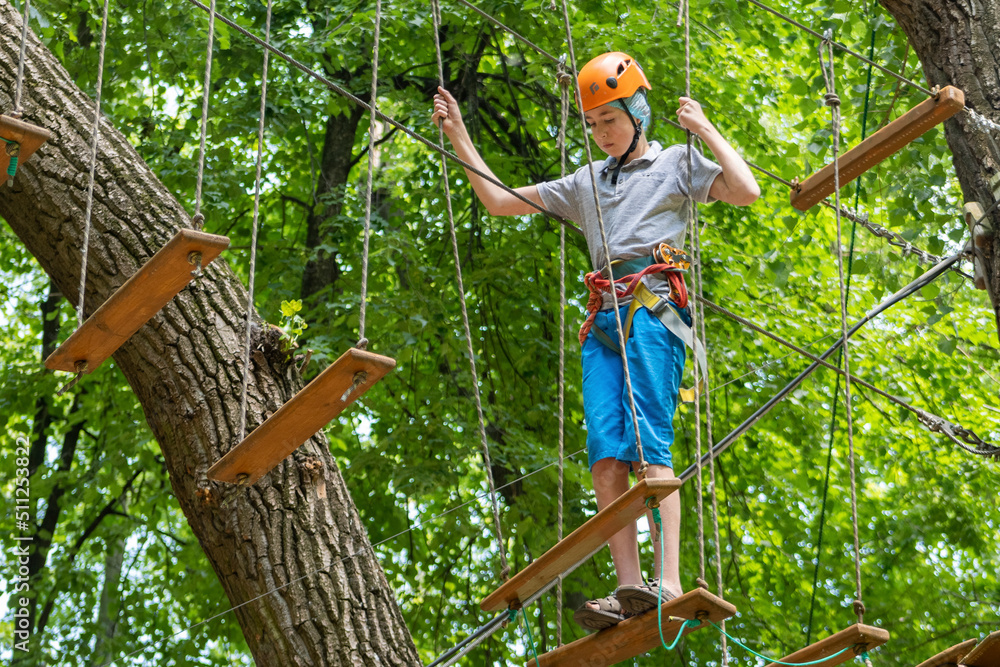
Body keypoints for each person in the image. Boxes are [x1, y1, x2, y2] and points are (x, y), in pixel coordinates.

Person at [432, 51, 759, 630]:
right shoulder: (586, 181)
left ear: (638, 113)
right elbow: (501, 202)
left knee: (648, 447)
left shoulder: (677, 163)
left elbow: (746, 190)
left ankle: (671, 580)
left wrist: (704, 128)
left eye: (610, 119)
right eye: (592, 124)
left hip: (653, 310)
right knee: (606, 459)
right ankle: (630, 588)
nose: (601, 133)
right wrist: (460, 138)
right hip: (603, 321)